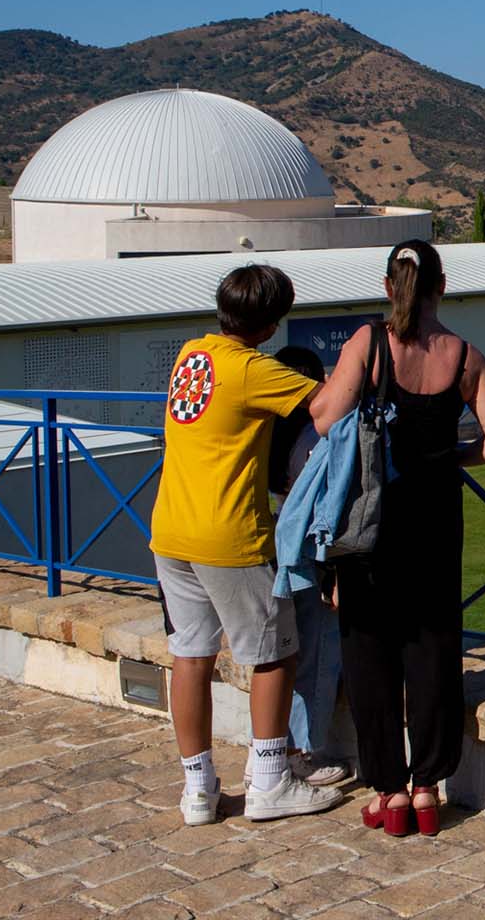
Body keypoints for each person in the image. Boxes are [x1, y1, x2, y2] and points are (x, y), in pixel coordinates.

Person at [309, 241, 485, 838]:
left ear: (387, 286)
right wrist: (449, 457)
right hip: (435, 521)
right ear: (441, 287)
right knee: (433, 650)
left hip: (369, 526)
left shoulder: (368, 343)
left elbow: (325, 418)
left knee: (369, 655)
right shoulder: (465, 355)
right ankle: (428, 786)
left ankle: (391, 791)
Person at [151, 264, 346, 826]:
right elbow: (328, 405)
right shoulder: (253, 369)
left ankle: (198, 789)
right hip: (229, 535)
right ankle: (269, 780)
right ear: (270, 324)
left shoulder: (193, 354)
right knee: (275, 654)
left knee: (190, 655)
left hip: (172, 529)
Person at [269, 345, 351, 789]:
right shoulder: (314, 438)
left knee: (281, 652)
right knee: (316, 651)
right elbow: (324, 512)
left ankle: (274, 749)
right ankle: (301, 753)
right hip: (303, 555)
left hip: (267, 546)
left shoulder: (267, 430)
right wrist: (333, 573)